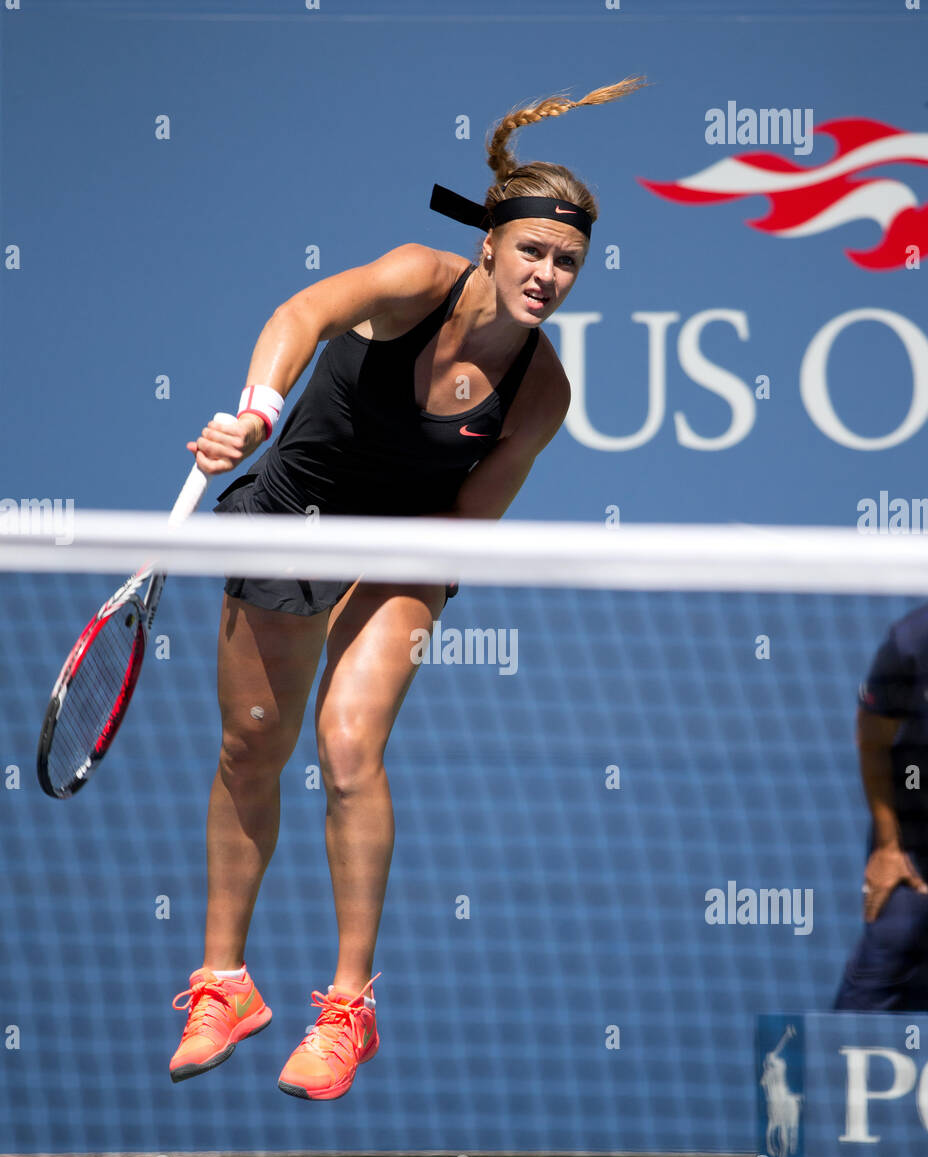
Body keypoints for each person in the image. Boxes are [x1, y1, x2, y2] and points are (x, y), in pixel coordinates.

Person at [169, 78, 645, 1100]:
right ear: (490, 243)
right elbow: (302, 311)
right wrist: (254, 414)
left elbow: (463, 530)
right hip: (289, 509)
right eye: (533, 250)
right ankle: (222, 983)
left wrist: (369, 602)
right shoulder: (412, 277)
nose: (549, 274)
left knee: (348, 745)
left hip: (402, 549)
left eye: (568, 261)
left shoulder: (541, 391)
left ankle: (347, 1007)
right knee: (254, 736)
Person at [834, 603, 928, 1011]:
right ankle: (837, 1073)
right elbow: (872, 739)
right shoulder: (912, 641)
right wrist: (888, 849)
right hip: (917, 841)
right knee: (893, 941)